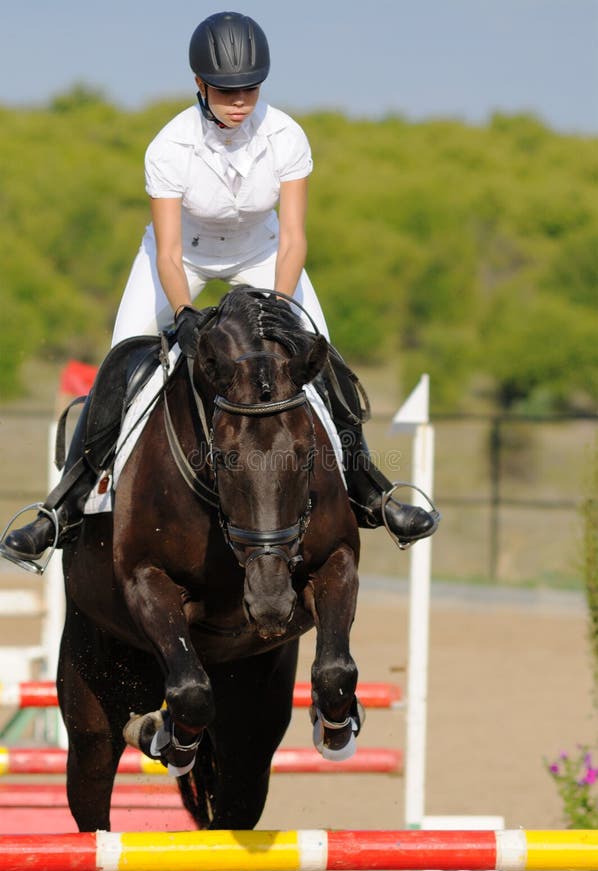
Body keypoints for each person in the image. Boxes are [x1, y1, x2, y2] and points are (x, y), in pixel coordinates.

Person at [0, 11, 438, 568]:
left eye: (249, 88)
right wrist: (183, 311)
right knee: (120, 362)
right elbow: (164, 250)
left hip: (263, 253)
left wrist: (280, 306)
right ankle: (62, 506)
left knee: (322, 357)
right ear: (200, 85)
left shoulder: (286, 136)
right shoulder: (169, 147)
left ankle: (371, 489)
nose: (239, 100)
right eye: (227, 89)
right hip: (182, 254)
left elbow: (296, 237)